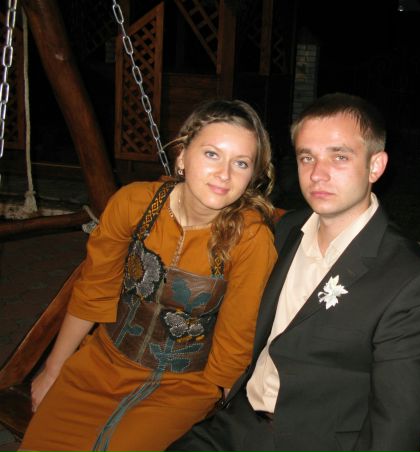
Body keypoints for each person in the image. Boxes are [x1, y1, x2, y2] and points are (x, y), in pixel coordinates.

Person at [168, 92, 420, 452]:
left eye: (339, 156)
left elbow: (397, 426)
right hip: (234, 423)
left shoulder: (410, 282)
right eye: (307, 157)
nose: (318, 174)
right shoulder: (286, 230)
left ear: (375, 166)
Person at [20, 99, 278, 452]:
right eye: (212, 154)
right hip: (102, 361)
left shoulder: (249, 238)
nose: (224, 174)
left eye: (241, 163)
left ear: (252, 176)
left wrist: (219, 405)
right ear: (182, 156)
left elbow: (237, 338)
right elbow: (93, 291)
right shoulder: (134, 204)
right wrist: (53, 369)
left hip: (184, 386)